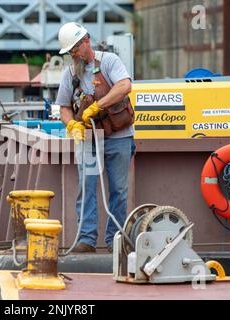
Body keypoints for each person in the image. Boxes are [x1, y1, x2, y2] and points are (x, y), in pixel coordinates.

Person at [55, 22, 134, 253]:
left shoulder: (109, 62)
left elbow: (124, 86)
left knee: (119, 189)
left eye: (74, 49)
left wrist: (97, 105)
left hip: (119, 137)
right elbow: (63, 107)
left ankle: (115, 239)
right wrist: (71, 124)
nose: (72, 55)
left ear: (85, 42)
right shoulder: (70, 74)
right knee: (87, 187)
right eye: (69, 52)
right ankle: (86, 239)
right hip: (89, 139)